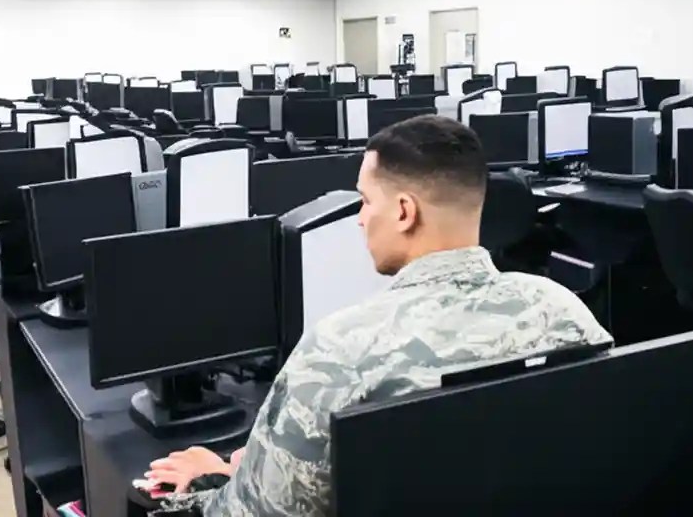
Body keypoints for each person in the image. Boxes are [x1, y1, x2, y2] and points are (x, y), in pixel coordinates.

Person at [146, 115, 612, 516]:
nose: (359, 218)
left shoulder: (340, 349)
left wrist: (220, 479)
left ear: (405, 211)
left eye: (366, 201)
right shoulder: (564, 309)